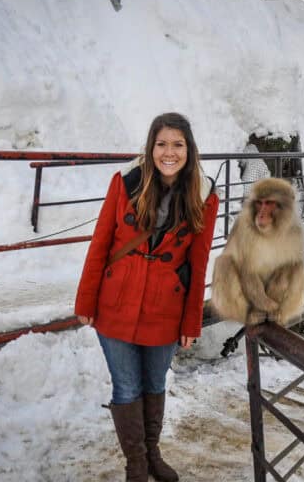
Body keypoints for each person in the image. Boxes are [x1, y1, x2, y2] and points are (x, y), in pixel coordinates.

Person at [75, 112, 219, 482]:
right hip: (116, 301)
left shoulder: (204, 194)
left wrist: (191, 322)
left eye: (177, 144)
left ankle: (152, 454)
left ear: (189, 149)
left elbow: (198, 264)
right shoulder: (126, 182)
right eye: (162, 144)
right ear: (150, 147)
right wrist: (85, 302)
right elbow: (100, 244)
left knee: (154, 385)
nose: (169, 152)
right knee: (126, 386)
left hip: (164, 308)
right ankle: (136, 465)